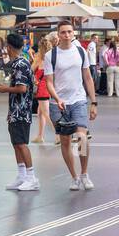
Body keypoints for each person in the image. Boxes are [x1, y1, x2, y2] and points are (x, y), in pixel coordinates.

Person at [43, 22, 98, 190]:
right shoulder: (50, 55)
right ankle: (74, 177)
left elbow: (87, 78)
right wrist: (57, 98)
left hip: (78, 100)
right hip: (57, 103)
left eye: (69, 32)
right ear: (58, 35)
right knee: (65, 141)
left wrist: (93, 102)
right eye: (63, 32)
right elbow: (49, 82)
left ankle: (84, 173)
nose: (66, 35)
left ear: (73, 33)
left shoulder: (81, 52)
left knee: (82, 137)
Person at [0, 32, 40, 192]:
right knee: (16, 143)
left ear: (9, 47)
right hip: (16, 110)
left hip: (21, 111)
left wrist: (4, 89)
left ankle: (31, 177)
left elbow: (22, 88)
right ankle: (22, 175)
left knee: (21, 144)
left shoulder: (19, 64)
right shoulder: (21, 62)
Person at [32, 33, 55, 143]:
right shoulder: (51, 60)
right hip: (48, 87)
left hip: (42, 88)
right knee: (40, 113)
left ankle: (58, 134)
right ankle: (40, 136)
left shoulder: (39, 60)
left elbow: (31, 70)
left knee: (45, 113)